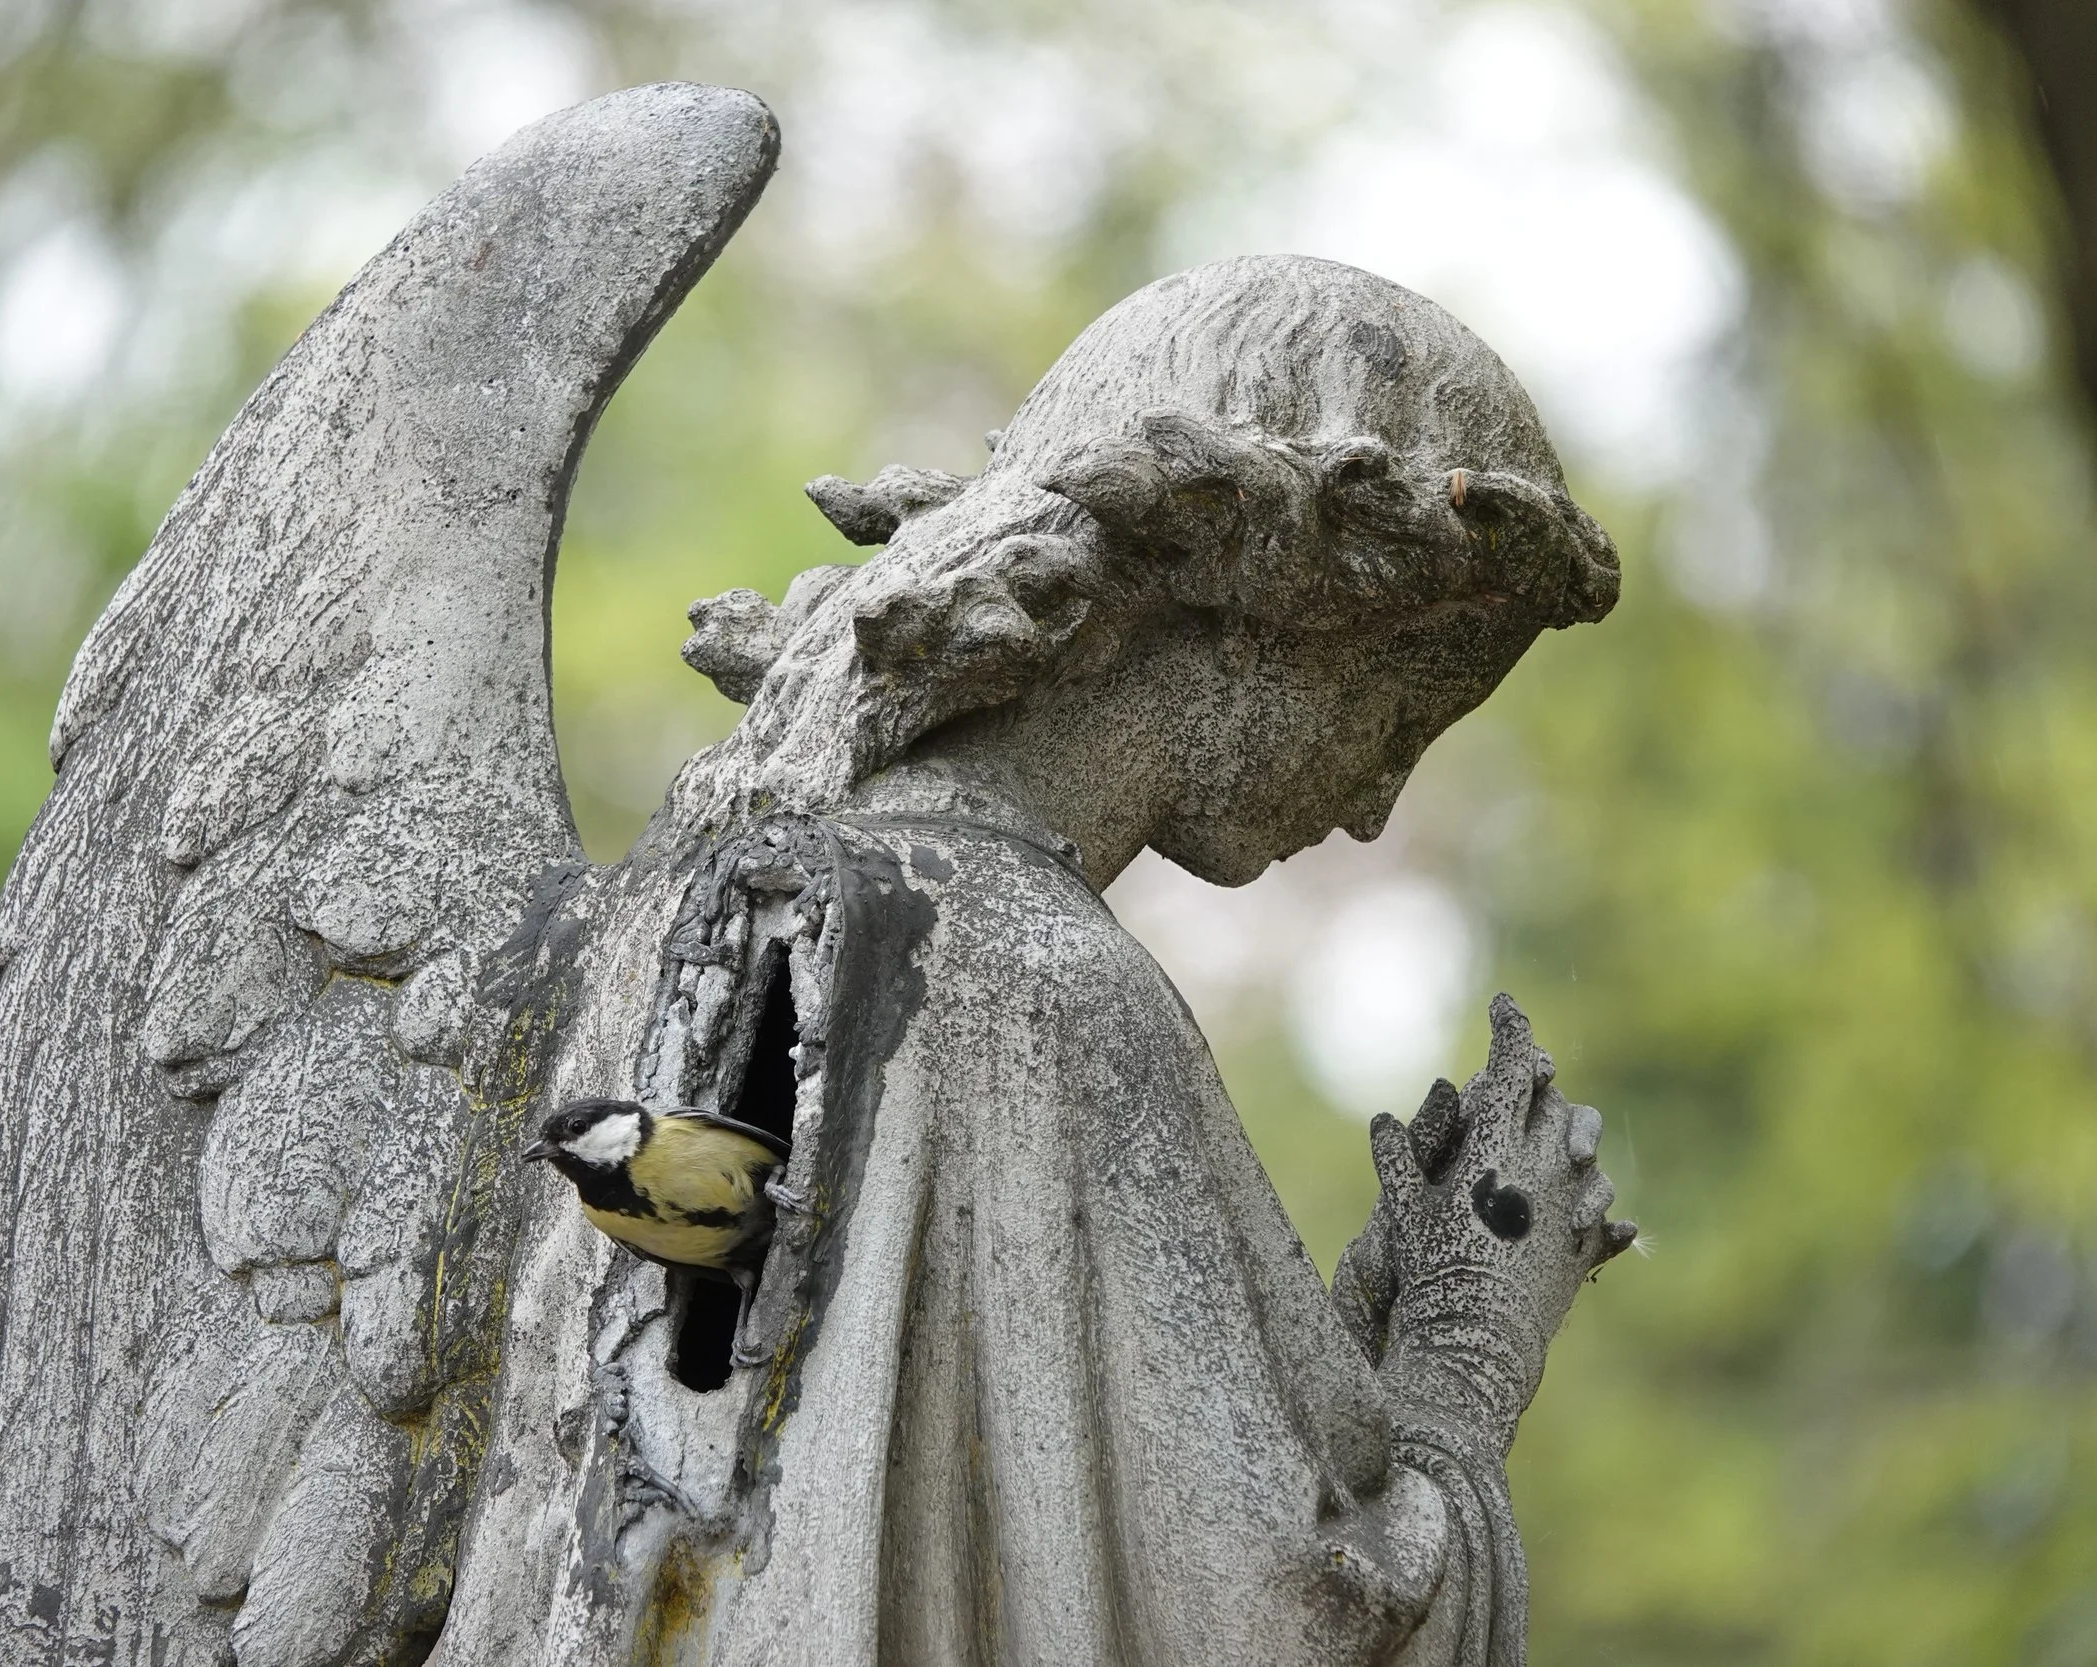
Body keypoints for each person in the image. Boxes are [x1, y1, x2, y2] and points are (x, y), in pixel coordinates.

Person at [437, 253, 1634, 1666]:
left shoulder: (671, 919)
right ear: (1267, 612)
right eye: (1398, 720)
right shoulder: (1031, 984)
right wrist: (1464, 1356)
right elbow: (1299, 1615)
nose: (1376, 803)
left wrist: (1337, 1367)